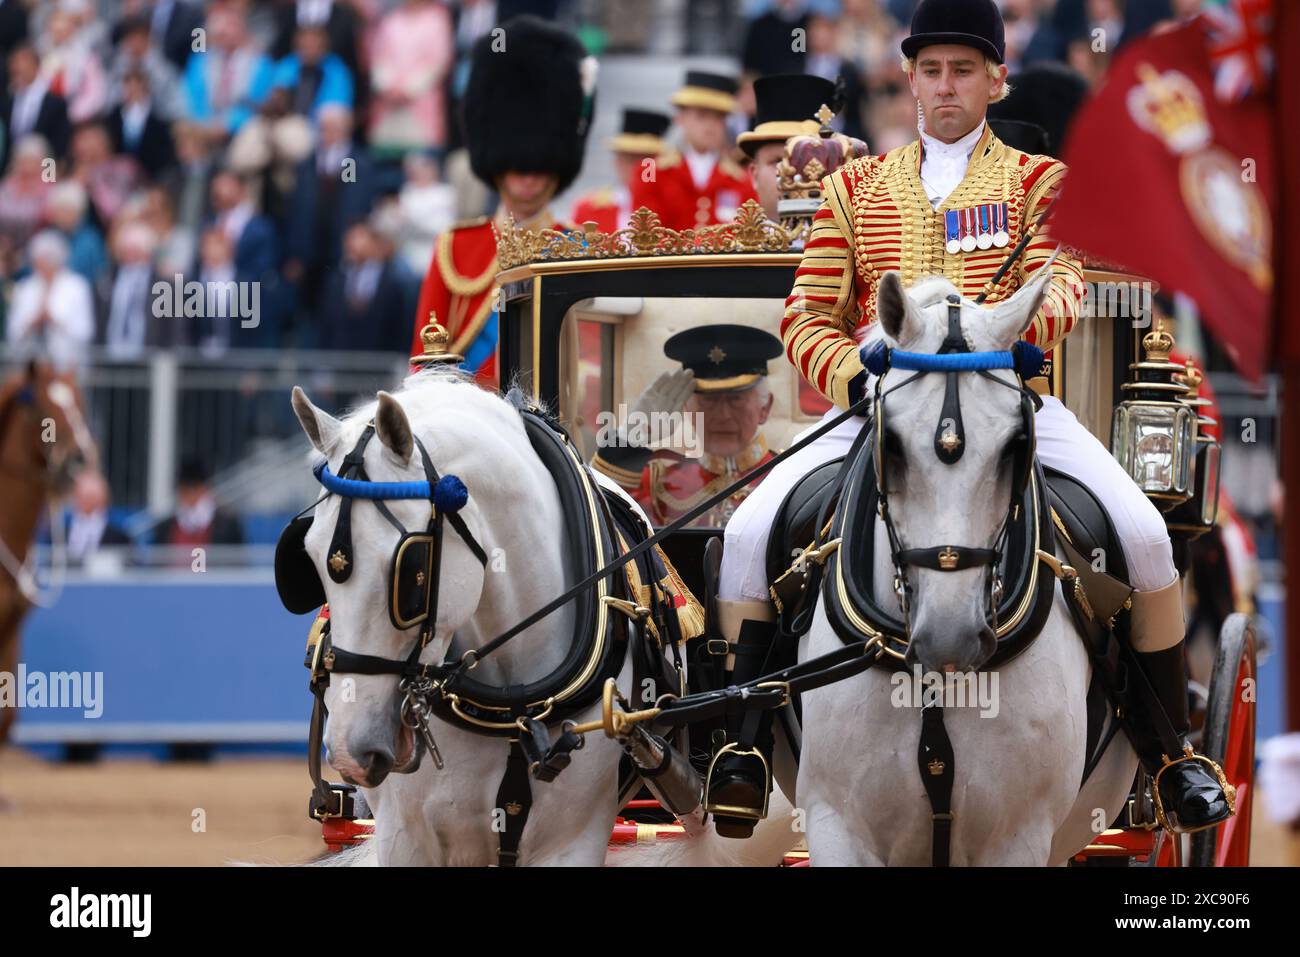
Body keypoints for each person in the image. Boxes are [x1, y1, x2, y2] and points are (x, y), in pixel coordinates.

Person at [709, 0, 1231, 836]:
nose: (944, 85)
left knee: (1142, 535)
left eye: (963, 69)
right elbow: (806, 314)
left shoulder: (1038, 182)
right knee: (743, 537)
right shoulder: (855, 187)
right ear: (908, 77)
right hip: (883, 408)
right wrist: (859, 373)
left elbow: (1063, 280)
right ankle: (736, 744)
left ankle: (1168, 754)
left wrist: (1009, 344)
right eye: (931, 68)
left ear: (996, 78)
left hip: (1005, 403)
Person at [409, 15, 596, 383]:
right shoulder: (455, 245)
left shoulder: (577, 247)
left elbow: (585, 356)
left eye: (539, 168)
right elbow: (422, 355)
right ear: (496, 164)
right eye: (516, 167)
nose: (527, 178)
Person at [593, 325, 782, 528]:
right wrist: (629, 440)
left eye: (735, 400)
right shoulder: (657, 484)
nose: (723, 415)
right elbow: (594, 513)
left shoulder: (788, 477)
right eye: (709, 401)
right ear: (686, 409)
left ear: (765, 408)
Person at [630, 71, 756, 231]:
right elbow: (646, 233)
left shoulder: (740, 180)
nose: (710, 125)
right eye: (701, 116)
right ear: (680, 118)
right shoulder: (651, 171)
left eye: (718, 117)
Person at [736, 74, 839, 221]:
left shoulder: (860, 242)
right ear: (754, 175)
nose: (791, 174)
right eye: (778, 161)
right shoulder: (724, 243)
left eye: (806, 160)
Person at [6, 230, 95, 373]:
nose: (40, 265)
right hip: (29, 367)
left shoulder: (77, 287)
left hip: (66, 367)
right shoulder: (25, 288)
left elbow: (85, 331)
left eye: (45, 260)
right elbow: (13, 331)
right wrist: (32, 323)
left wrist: (54, 320)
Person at [571, 108, 670, 233]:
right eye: (629, 160)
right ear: (616, 161)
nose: (638, 169)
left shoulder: (673, 207)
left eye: (645, 162)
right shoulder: (589, 209)